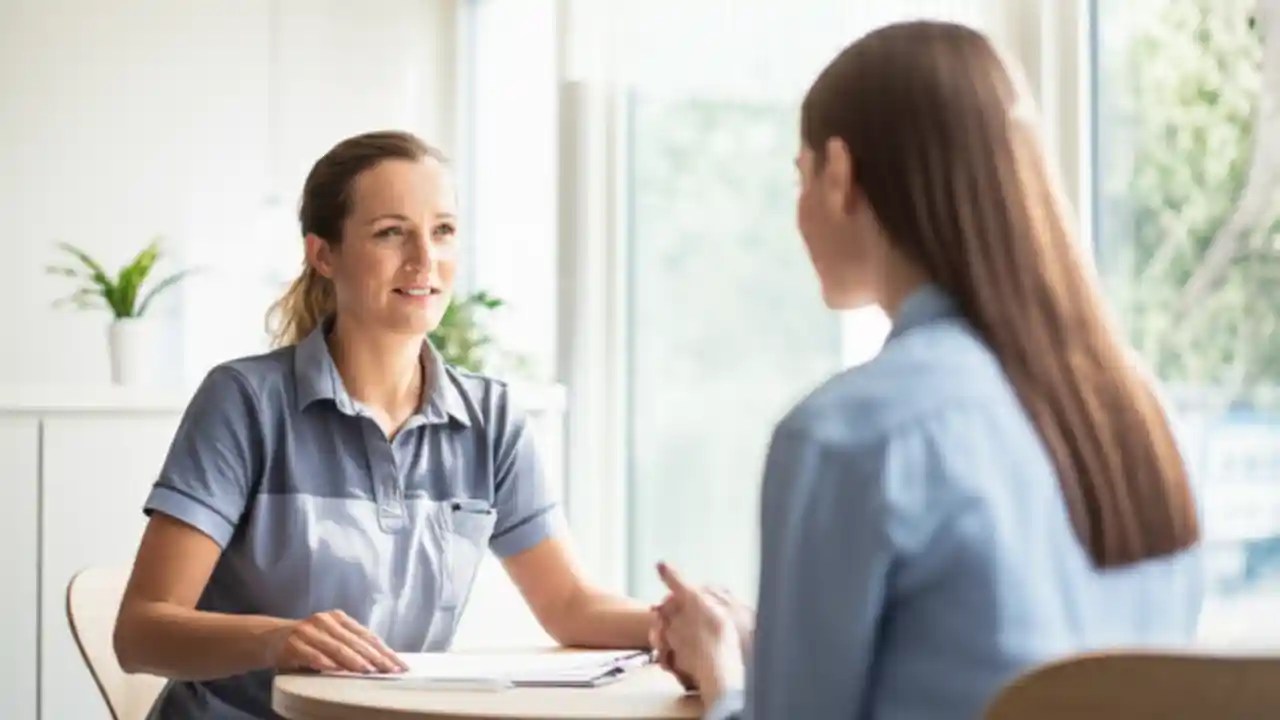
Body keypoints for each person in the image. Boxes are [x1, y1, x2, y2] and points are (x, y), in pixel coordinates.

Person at [649, 20, 1203, 720]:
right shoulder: (1144, 419)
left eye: (801, 175)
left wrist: (725, 675)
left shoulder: (846, 436)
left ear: (841, 174)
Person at [113, 130, 652, 719]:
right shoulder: (245, 402)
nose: (425, 261)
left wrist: (680, 623)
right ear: (324, 254)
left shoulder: (491, 420)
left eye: (442, 230)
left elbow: (571, 604)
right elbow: (141, 632)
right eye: (391, 233)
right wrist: (276, 640)